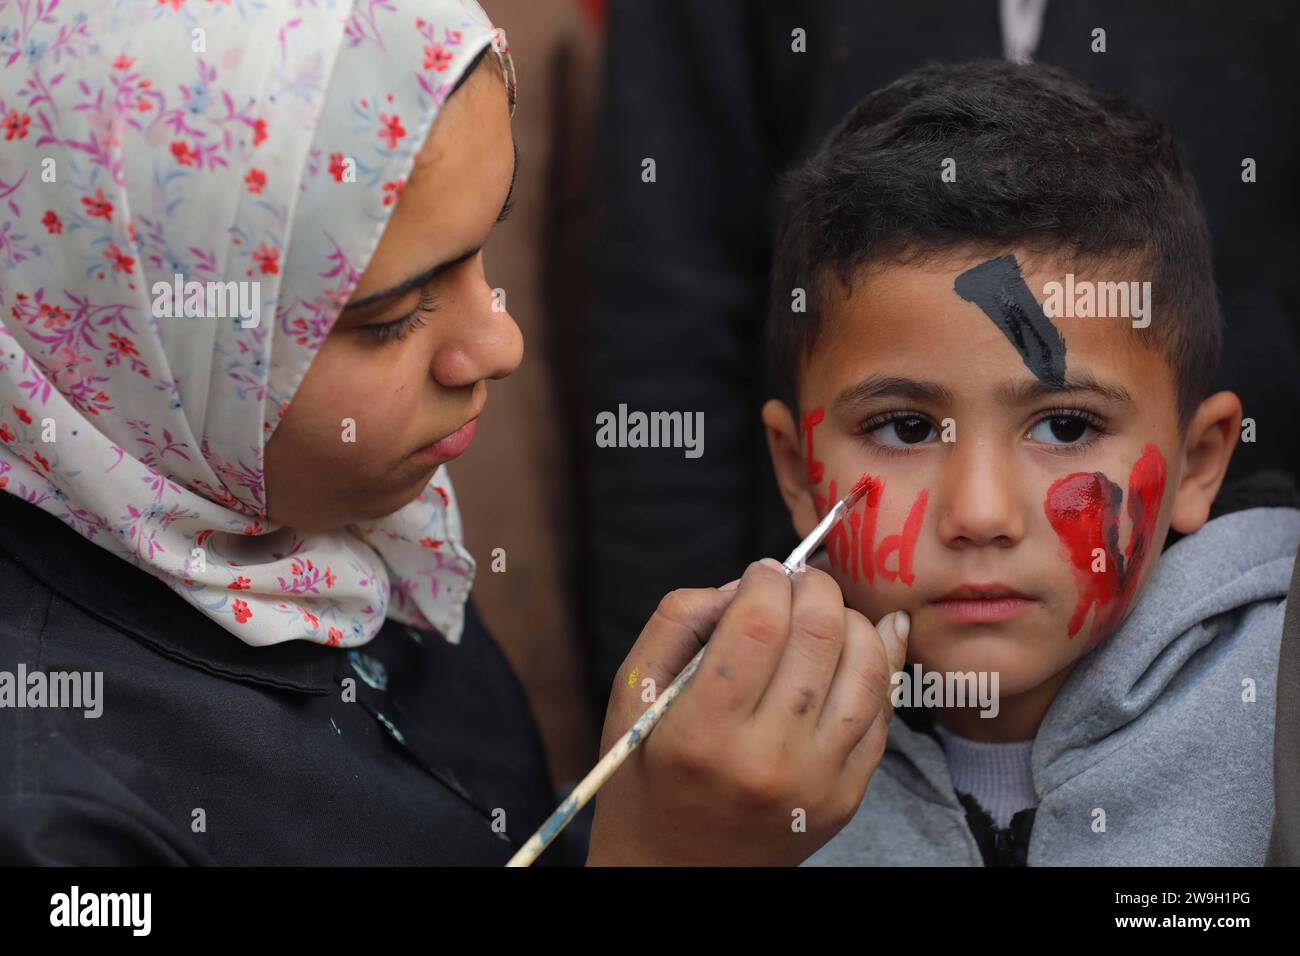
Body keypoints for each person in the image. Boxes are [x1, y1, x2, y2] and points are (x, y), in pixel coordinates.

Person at [0, 0, 899, 866]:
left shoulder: (358, 541)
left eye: (484, 249)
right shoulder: (58, 812)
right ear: (145, 335)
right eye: (390, 317)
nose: (497, 343)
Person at [756, 60, 1300, 865]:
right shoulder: (730, 778)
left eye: (1067, 427)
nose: (980, 514)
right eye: (906, 429)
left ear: (1198, 464)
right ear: (800, 473)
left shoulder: (1283, 709)